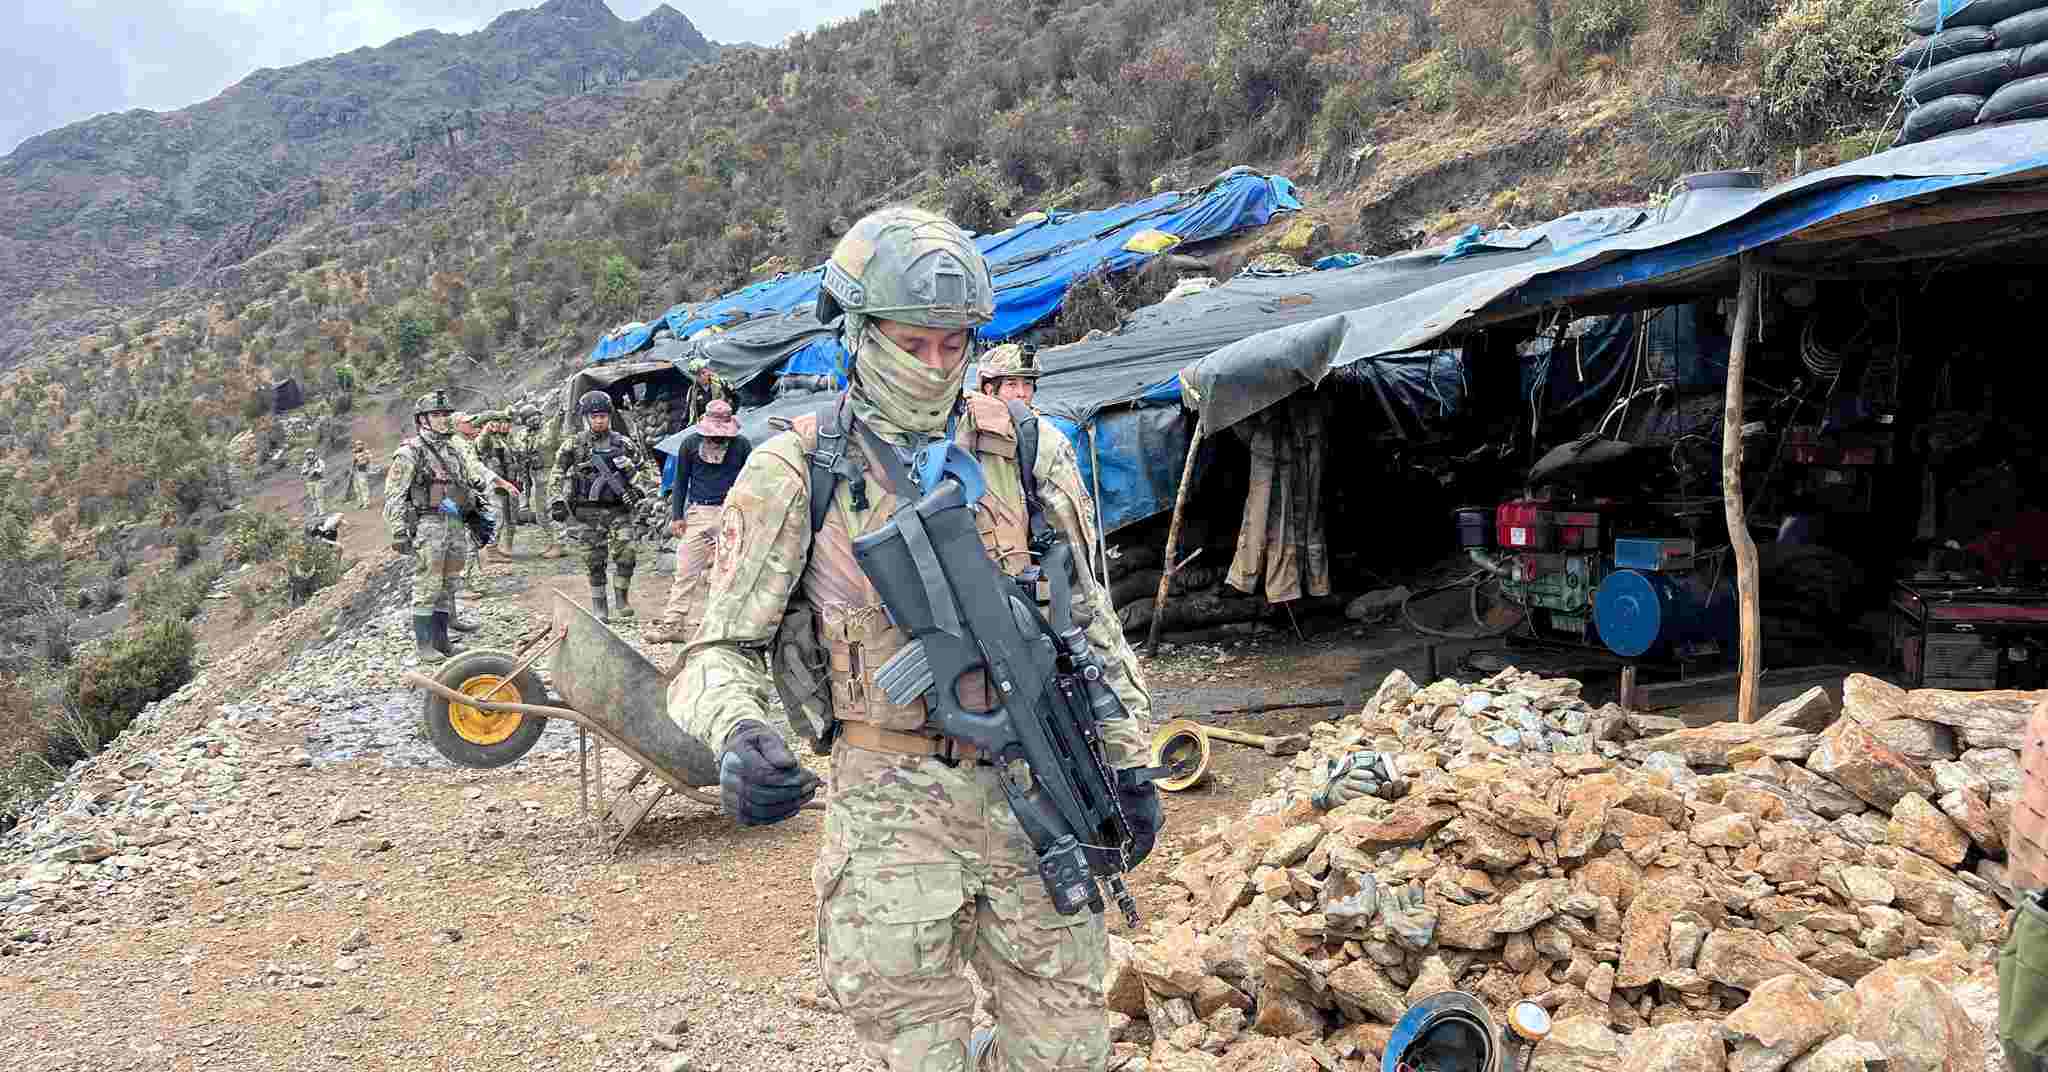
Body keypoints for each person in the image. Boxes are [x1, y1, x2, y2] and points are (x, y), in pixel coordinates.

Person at [667, 206, 1161, 1072]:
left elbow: (1093, 627)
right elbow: (719, 650)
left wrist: (1127, 758)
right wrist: (738, 732)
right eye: (911, 343)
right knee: (919, 1055)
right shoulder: (798, 471)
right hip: (890, 817)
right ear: (857, 334)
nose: (935, 365)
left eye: (952, 344)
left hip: (1039, 796)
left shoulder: (1031, 452)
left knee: (1066, 1053)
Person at [383, 391, 519, 661]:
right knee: (427, 586)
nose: (443, 419)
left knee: (448, 584)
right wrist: (398, 531)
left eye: (446, 414)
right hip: (428, 524)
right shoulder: (410, 452)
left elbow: (469, 479)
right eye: (436, 415)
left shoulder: (454, 449)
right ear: (422, 420)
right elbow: (394, 495)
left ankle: (443, 641)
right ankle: (424, 645)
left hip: (454, 521)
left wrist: (478, 500)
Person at [644, 400, 751, 646]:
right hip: (699, 512)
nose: (717, 439)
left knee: (727, 572)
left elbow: (749, 481)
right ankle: (673, 625)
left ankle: (722, 629)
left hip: (732, 511)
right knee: (685, 570)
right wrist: (677, 516)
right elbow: (681, 481)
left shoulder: (742, 446)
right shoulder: (690, 444)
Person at [549, 390, 648, 623]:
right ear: (586, 418)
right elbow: (557, 472)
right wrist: (556, 501)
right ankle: (599, 606)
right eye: (594, 417)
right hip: (588, 512)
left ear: (609, 417)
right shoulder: (574, 444)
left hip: (618, 509)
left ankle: (622, 598)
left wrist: (638, 488)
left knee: (627, 554)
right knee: (594, 560)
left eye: (603, 416)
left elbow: (645, 469)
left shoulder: (623, 443)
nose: (599, 420)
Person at [476, 410, 523, 558]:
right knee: (497, 517)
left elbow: (517, 455)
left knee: (512, 516)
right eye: (496, 422)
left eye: (503, 422)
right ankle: (491, 549)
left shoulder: (504, 439)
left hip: (510, 481)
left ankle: (507, 546)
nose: (500, 425)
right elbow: (482, 445)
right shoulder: (485, 439)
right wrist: (486, 430)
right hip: (495, 484)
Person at [977, 343, 1041, 408]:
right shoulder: (975, 414)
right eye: (1011, 384)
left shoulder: (1038, 414)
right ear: (989, 390)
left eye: (1027, 383)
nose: (1022, 393)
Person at [682, 358, 734, 428]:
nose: (702, 377)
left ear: (708, 371)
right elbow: (688, 413)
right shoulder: (693, 391)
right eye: (698, 375)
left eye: (703, 373)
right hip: (705, 425)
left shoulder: (721, 383)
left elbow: (734, 398)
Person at [300, 449, 326, 518]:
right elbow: (302, 471)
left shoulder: (319, 461)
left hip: (318, 481)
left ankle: (321, 511)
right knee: (312, 497)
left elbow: (322, 468)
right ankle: (315, 511)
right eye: (308, 454)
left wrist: (315, 470)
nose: (309, 455)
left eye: (310, 454)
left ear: (313, 454)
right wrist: (304, 472)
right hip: (309, 481)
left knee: (319, 496)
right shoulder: (306, 463)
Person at [348, 440, 374, 509]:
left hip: (362, 472)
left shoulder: (366, 452)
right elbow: (352, 463)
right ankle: (360, 503)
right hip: (356, 472)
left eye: (360, 444)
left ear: (362, 445)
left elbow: (367, 461)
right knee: (357, 489)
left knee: (363, 488)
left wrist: (359, 458)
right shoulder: (355, 452)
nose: (359, 446)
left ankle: (366, 503)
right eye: (357, 445)